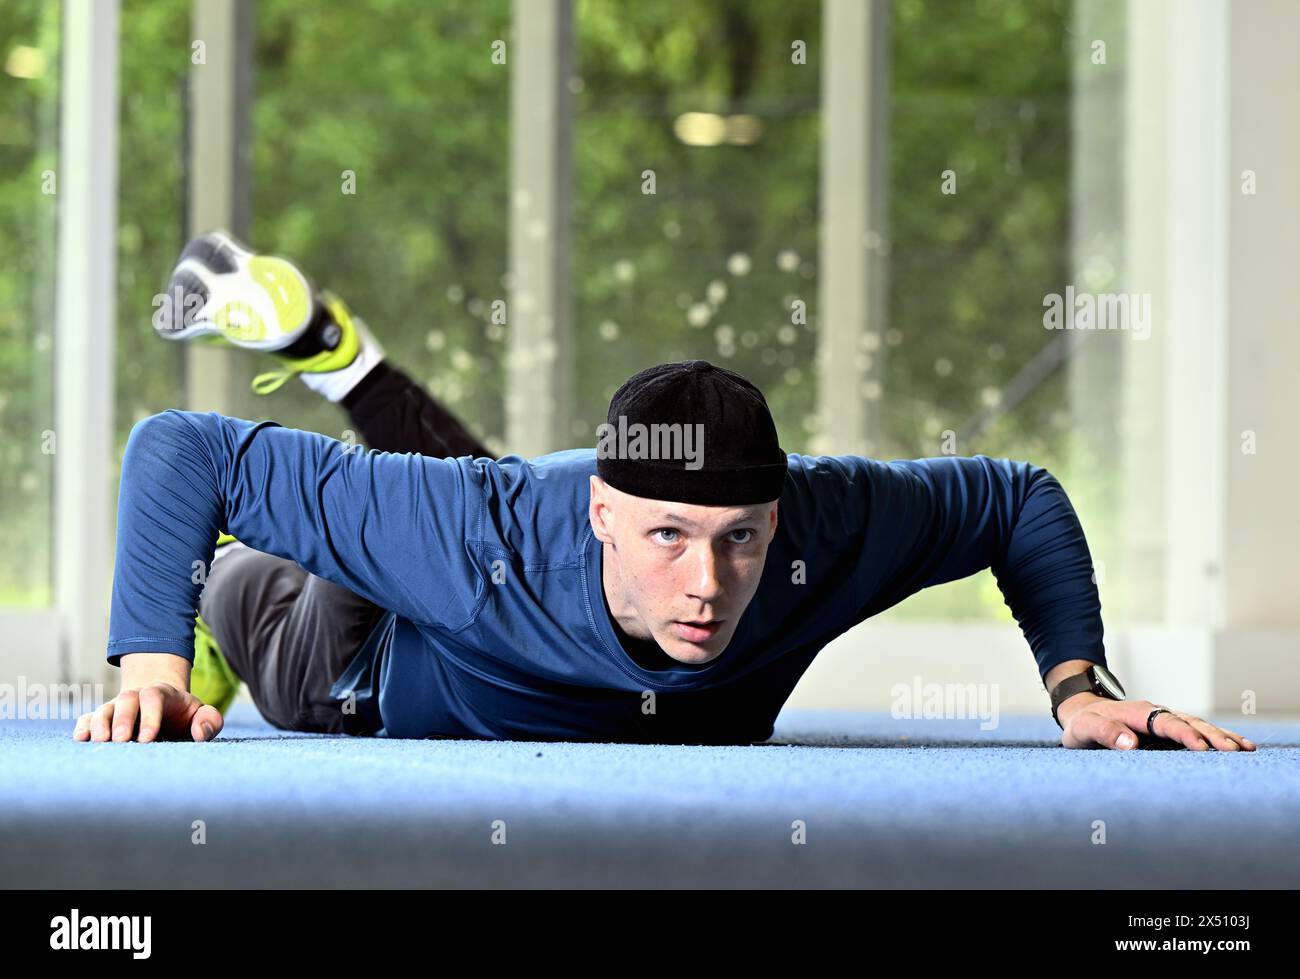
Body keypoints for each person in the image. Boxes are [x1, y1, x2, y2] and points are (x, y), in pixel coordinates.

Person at [73, 232, 1255, 752]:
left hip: (487, 539)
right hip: (350, 651)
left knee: (457, 500)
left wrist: (1077, 686)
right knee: (258, 573)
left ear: (780, 516)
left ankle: (333, 347)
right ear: (601, 510)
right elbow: (181, 450)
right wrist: (152, 669)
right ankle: (230, 606)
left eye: (739, 540)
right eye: (668, 538)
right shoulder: (474, 536)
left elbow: (1014, 496)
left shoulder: (827, 526)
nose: (707, 585)